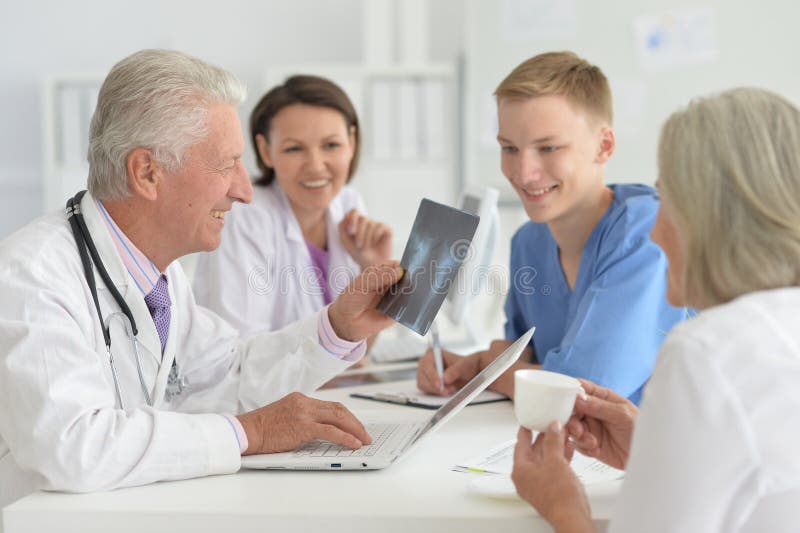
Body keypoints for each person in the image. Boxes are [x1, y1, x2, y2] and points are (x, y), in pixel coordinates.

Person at [0, 49, 404, 509]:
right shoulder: (31, 275)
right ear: (147, 173)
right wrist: (248, 433)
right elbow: (72, 446)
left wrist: (339, 328)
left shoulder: (161, 273)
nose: (245, 190)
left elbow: (227, 376)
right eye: (225, 164)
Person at [512, 87, 800, 532]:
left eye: (667, 202)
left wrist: (562, 503)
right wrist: (654, 445)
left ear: (712, 217)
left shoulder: (706, 352)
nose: (656, 233)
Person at [417, 51, 684, 404]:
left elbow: (583, 392)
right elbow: (518, 359)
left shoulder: (645, 231)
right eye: (509, 148)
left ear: (603, 146)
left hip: (647, 452)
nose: (523, 172)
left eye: (548, 148)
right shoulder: (529, 242)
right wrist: (472, 367)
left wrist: (490, 369)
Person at [194, 75, 392, 340]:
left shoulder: (348, 205)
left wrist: (373, 268)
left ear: (351, 142)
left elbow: (358, 351)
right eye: (294, 149)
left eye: (331, 145)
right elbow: (242, 355)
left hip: (322, 383)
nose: (316, 165)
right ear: (265, 151)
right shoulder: (244, 215)